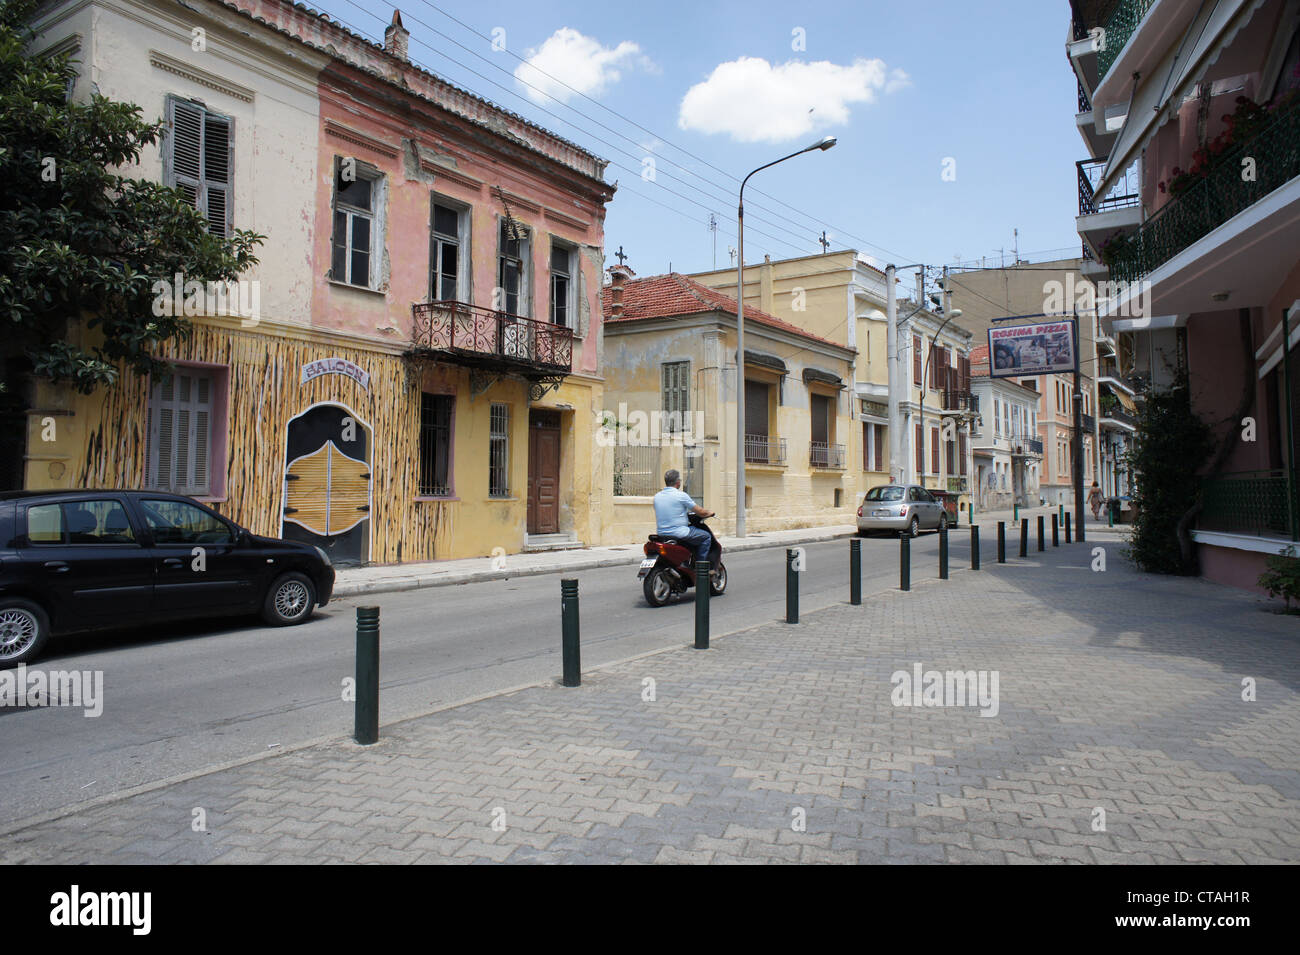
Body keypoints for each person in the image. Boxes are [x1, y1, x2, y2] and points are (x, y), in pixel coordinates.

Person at [653, 469, 715, 564]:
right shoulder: (681, 495)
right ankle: (701, 568)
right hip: (679, 533)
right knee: (706, 537)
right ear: (678, 482)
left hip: (661, 534)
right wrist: (710, 513)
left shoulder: (657, 496)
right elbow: (700, 512)